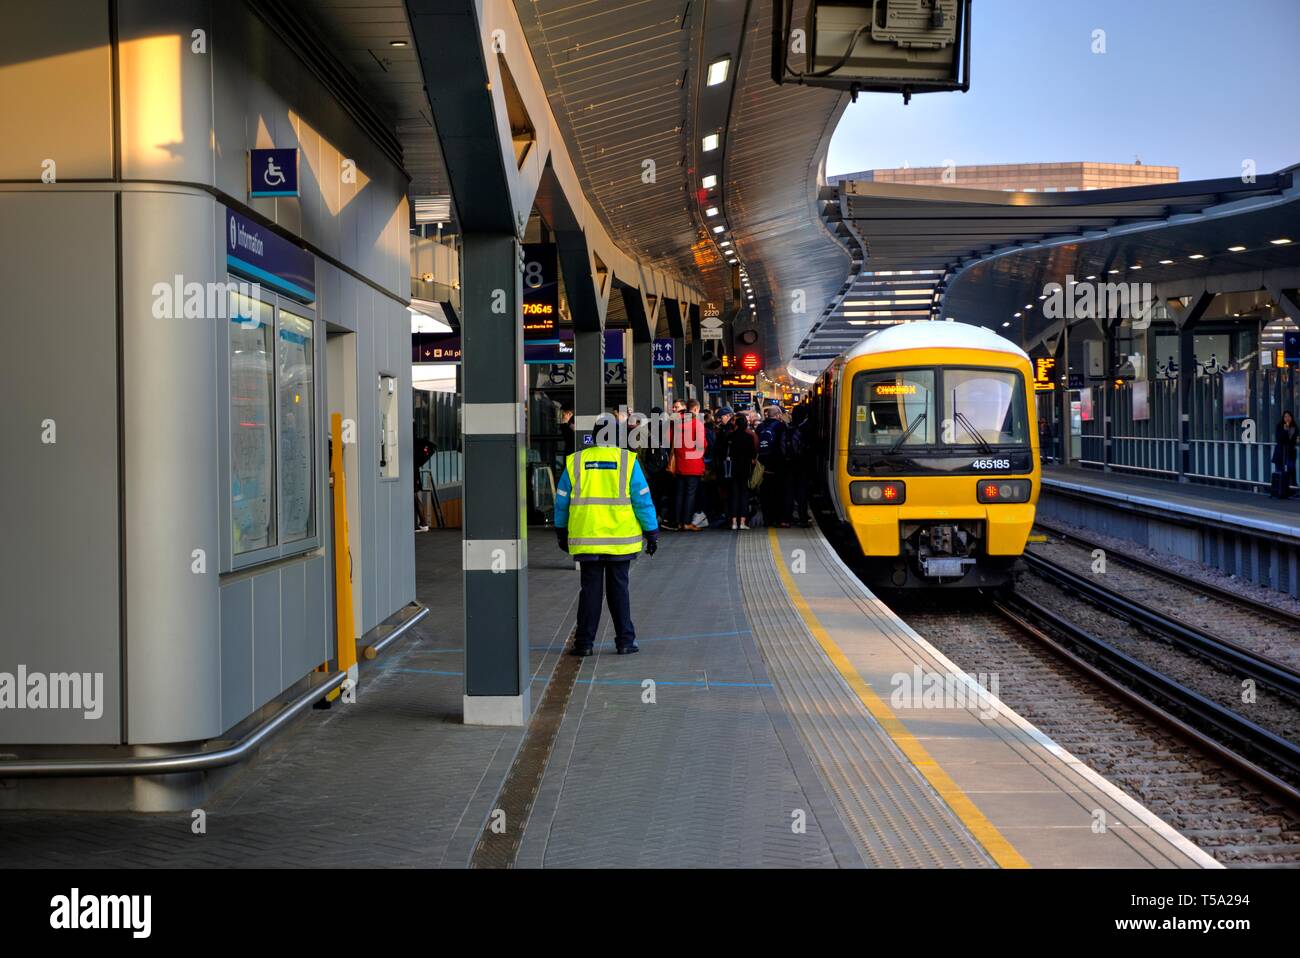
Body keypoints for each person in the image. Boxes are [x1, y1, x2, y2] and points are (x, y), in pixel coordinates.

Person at [555, 414, 659, 656]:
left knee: (590, 591)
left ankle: (584, 644)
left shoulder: (575, 461)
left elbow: (561, 501)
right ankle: (625, 641)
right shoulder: (627, 461)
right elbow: (642, 501)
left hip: (587, 539)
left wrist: (561, 531)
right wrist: (652, 533)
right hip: (620, 541)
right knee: (619, 590)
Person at [672, 399, 707, 530]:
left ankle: (678, 522)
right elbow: (702, 445)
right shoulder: (696, 424)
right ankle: (687, 522)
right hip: (693, 464)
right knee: (690, 494)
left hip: (680, 464)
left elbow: (669, 440)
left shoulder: (675, 424)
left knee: (679, 493)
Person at [721, 410, 758, 530]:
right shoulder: (749, 437)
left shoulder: (730, 437)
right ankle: (742, 522)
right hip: (745, 470)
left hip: (731, 470)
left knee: (733, 495)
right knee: (744, 496)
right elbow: (753, 456)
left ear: (736, 424)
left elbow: (723, 453)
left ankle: (733, 523)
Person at [756, 403, 789, 527]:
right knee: (779, 493)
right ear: (778, 415)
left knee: (765, 494)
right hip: (778, 465)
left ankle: (767, 519)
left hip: (763, 465)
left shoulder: (760, 427)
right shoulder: (781, 426)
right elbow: (784, 446)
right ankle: (778, 519)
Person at [787, 403, 814, 526]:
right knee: (802, 492)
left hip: (789, 463)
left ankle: (788, 517)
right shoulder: (807, 428)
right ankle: (803, 517)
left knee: (789, 491)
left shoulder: (788, 427)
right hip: (803, 464)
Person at [1272, 411, 1298, 500]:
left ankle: (1292, 489)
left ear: (1291, 417)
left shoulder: (1295, 428)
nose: (1287, 418)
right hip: (1280, 452)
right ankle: (1279, 490)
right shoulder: (1279, 427)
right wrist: (1285, 430)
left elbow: (1293, 440)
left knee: (1291, 469)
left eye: (1289, 416)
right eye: (1285, 417)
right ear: (1283, 418)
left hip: (1290, 452)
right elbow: (1280, 439)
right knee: (1279, 471)